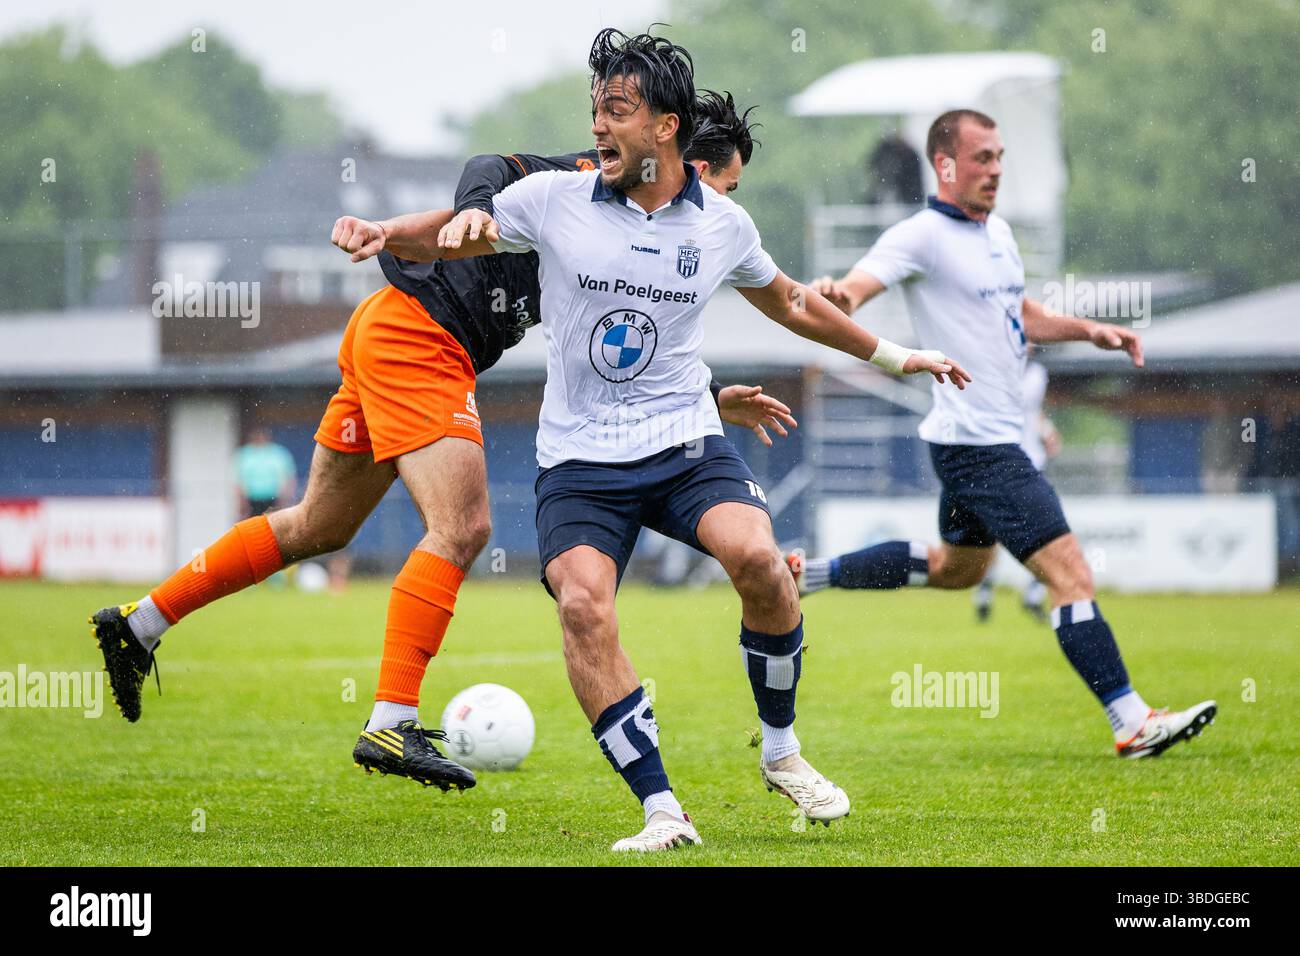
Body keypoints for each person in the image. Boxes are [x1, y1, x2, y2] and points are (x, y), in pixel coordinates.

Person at [87, 89, 793, 800]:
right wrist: (475, 211)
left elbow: (620, 364)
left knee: (318, 524)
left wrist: (705, 399)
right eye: (721, 186)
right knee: (462, 527)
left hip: (386, 324)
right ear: (682, 157)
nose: (718, 209)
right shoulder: (586, 186)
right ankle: (392, 719)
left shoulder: (650, 233)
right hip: (422, 336)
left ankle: (140, 623)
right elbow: (488, 164)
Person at [387, 29, 969, 851]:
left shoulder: (723, 224)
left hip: (682, 445)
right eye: (594, 109)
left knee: (762, 561)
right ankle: (663, 810)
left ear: (665, 126)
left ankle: (781, 751)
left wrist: (896, 355)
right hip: (581, 459)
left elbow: (795, 302)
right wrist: (382, 232)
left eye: (616, 110)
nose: (598, 126)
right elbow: (451, 225)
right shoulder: (555, 199)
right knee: (586, 607)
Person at [792, 108, 1216, 759]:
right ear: (944, 165)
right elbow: (852, 291)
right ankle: (1130, 720)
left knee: (957, 569)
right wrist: (833, 293)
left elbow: (1020, 313)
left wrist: (1089, 331)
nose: (995, 170)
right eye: (982, 158)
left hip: (979, 441)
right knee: (1070, 574)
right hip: (981, 446)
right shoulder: (921, 236)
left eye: (999, 158)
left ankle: (808, 575)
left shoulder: (1000, 234)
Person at [972, 352, 1058, 623]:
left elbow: (1033, 411)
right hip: (1000, 461)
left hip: (1032, 463)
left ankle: (1032, 595)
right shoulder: (991, 367)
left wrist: (1047, 431)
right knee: (993, 534)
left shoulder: (1037, 374)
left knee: (1045, 532)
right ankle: (984, 594)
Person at [234, 427, 297, 518]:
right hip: (251, 500)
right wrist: (241, 501)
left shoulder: (278, 453)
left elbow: (289, 477)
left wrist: (286, 498)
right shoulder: (244, 455)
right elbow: (238, 480)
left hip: (273, 499)